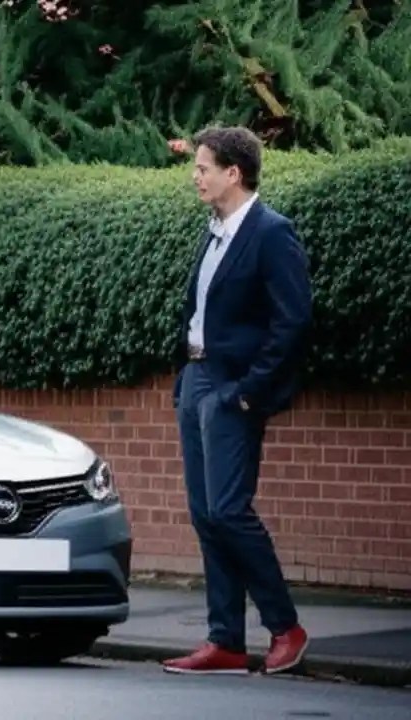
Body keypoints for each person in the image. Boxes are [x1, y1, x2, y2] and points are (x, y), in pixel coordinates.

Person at [164, 125, 312, 676]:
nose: (195, 176)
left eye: (203, 167)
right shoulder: (214, 234)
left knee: (229, 510)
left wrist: (250, 391)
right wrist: (186, 379)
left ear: (234, 173)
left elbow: (292, 320)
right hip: (197, 380)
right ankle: (225, 640)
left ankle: (285, 627)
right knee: (206, 514)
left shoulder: (272, 233)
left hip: (232, 389)